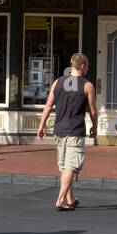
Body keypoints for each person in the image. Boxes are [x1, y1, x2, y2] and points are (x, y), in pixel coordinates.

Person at [37, 51, 98, 210]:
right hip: (75, 130)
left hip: (59, 129)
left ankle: (70, 198)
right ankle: (60, 199)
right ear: (83, 66)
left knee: (65, 166)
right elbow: (93, 111)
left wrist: (41, 125)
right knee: (71, 165)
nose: (87, 69)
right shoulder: (87, 85)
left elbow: (49, 105)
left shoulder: (57, 82)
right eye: (87, 67)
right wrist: (94, 127)